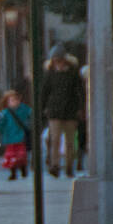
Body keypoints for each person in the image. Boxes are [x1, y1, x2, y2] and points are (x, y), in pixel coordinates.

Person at [40, 44, 84, 177]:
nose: (57, 63)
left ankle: (69, 166)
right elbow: (44, 92)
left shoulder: (73, 73)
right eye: (55, 61)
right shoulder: (50, 74)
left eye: (59, 60)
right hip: (54, 111)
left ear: (65, 60)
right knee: (55, 140)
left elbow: (80, 92)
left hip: (70, 111)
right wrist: (43, 108)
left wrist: (80, 108)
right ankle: (55, 165)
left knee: (70, 142)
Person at [0, 90, 31, 181]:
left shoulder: (24, 109)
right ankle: (13, 172)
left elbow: (31, 115)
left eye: (16, 100)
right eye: (12, 100)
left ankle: (23, 169)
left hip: (20, 137)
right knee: (11, 156)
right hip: (9, 138)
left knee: (21, 155)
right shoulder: (5, 113)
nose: (15, 102)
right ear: (7, 102)